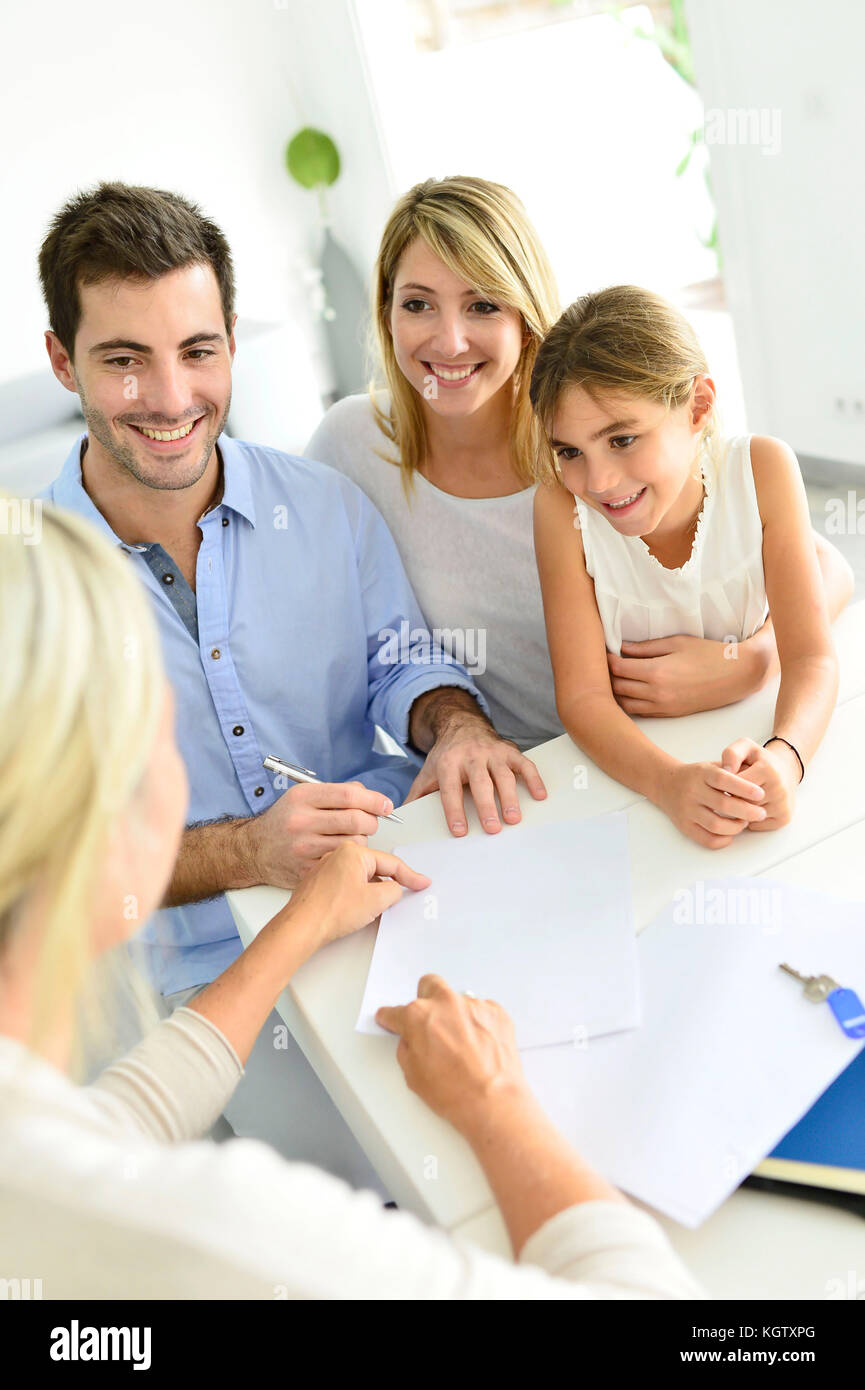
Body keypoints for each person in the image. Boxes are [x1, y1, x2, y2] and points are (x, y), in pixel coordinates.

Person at [0, 504, 703, 1300]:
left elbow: (108, 1122)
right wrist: (493, 1100)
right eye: (160, 737)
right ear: (96, 810)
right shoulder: (223, 1231)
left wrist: (302, 922)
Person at [37, 181, 546, 1188]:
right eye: (124, 361)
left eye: (197, 351)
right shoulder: (26, 584)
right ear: (64, 362)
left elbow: (402, 659)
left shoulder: (322, 503)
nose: (173, 398)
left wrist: (453, 727)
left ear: (232, 342)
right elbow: (47, 863)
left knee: (510, 1156)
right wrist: (248, 852)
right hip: (178, 994)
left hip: (387, 912)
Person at [304, 175, 853, 759]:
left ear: (525, 312)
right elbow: (313, 627)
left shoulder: (589, 425)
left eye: (482, 304)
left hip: (675, 739)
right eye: (417, 304)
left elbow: (828, 568)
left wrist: (753, 658)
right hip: (525, 771)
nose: (450, 340)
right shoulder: (353, 444)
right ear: (386, 311)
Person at [531, 285, 841, 849]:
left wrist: (787, 756)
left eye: (621, 439)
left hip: (745, 734)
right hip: (634, 781)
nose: (597, 481)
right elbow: (582, 699)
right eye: (570, 451)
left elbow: (813, 656)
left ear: (697, 407)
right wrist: (667, 782)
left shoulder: (763, 470)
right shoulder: (561, 508)